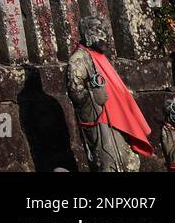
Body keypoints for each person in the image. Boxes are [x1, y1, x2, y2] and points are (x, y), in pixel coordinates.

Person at [66, 15, 153, 171]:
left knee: (129, 160)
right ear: (87, 33)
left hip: (117, 116)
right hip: (101, 119)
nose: (103, 35)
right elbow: (76, 93)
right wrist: (93, 95)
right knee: (111, 160)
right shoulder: (78, 59)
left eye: (104, 30)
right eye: (98, 30)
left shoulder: (100, 57)